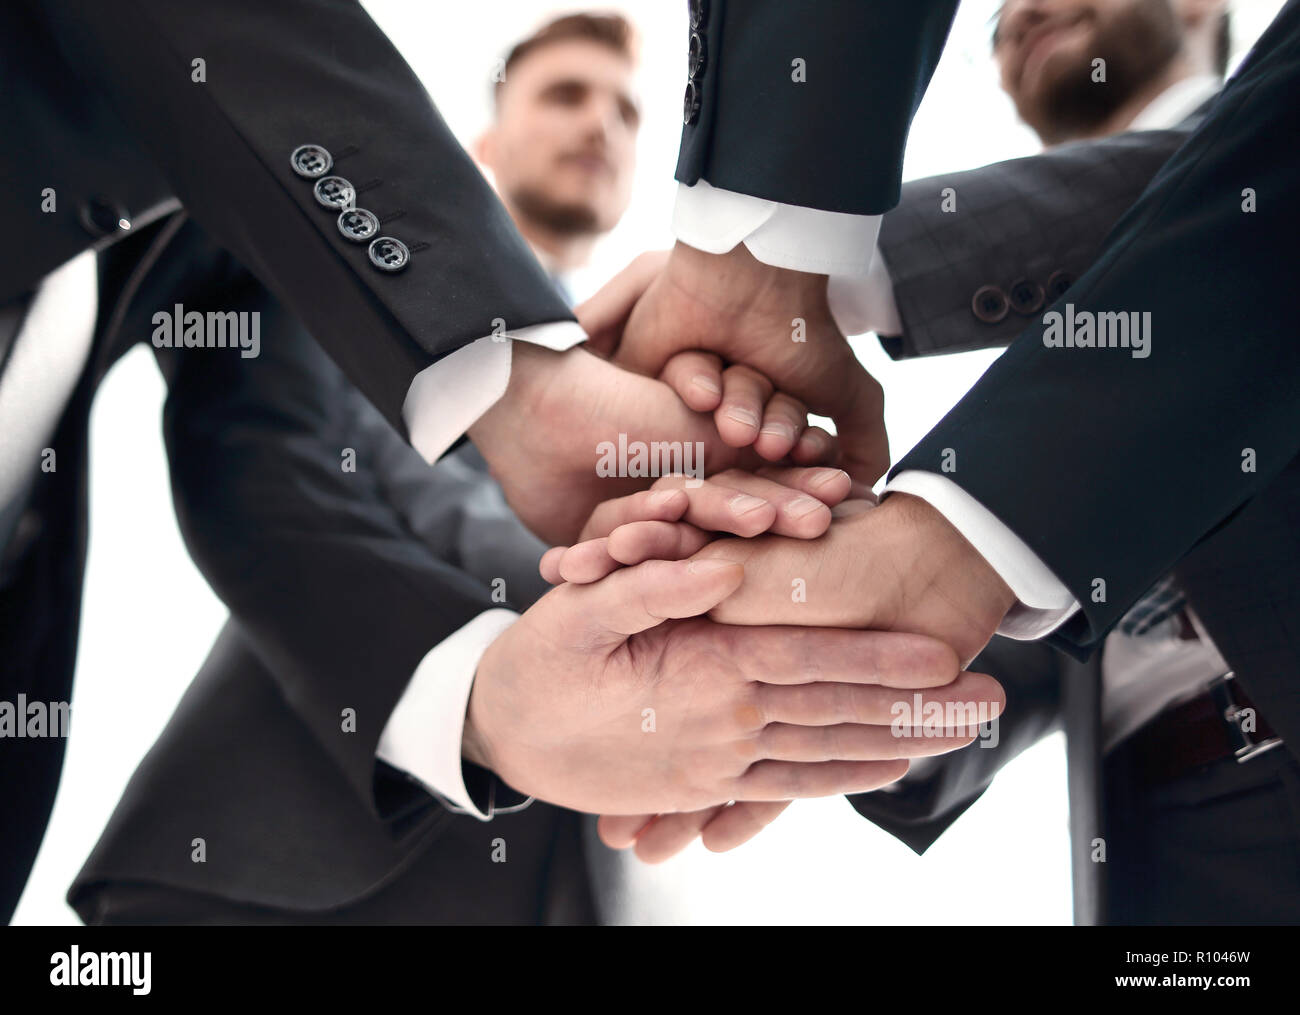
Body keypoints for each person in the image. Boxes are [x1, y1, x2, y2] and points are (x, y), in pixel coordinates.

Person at [585, 0, 1300, 923]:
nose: (1026, 12)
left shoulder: (1254, 151)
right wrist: (826, 682)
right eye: (997, 26)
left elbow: (1226, 188)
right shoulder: (1045, 389)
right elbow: (1002, 644)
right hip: (1167, 857)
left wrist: (804, 273)